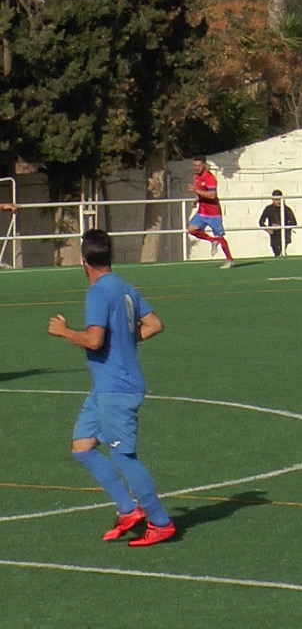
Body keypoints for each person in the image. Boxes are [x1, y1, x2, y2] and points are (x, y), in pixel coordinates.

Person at [46, 229, 176, 546]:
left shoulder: (99, 292)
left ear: (83, 259)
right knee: (82, 446)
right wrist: (125, 343)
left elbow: (94, 339)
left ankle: (161, 522)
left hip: (117, 388)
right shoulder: (126, 287)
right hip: (106, 387)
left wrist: (63, 331)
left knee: (123, 457)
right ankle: (128, 510)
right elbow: (155, 324)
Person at [185, 156, 235, 269]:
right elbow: (202, 192)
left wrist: (195, 190)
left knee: (220, 237)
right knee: (192, 229)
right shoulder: (196, 176)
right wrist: (197, 199)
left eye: (198, 165)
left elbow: (212, 195)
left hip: (213, 213)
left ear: (204, 165)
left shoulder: (210, 178)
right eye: (194, 166)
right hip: (202, 211)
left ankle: (230, 259)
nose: (196, 168)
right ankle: (212, 241)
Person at [259, 189, 297, 257]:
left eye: (279, 199)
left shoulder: (286, 209)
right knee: (277, 253)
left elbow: (294, 222)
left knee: (281, 252)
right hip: (274, 235)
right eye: (276, 200)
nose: (278, 202)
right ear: (272, 200)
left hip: (285, 234)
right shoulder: (269, 209)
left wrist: (281, 226)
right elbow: (261, 222)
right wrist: (268, 229)